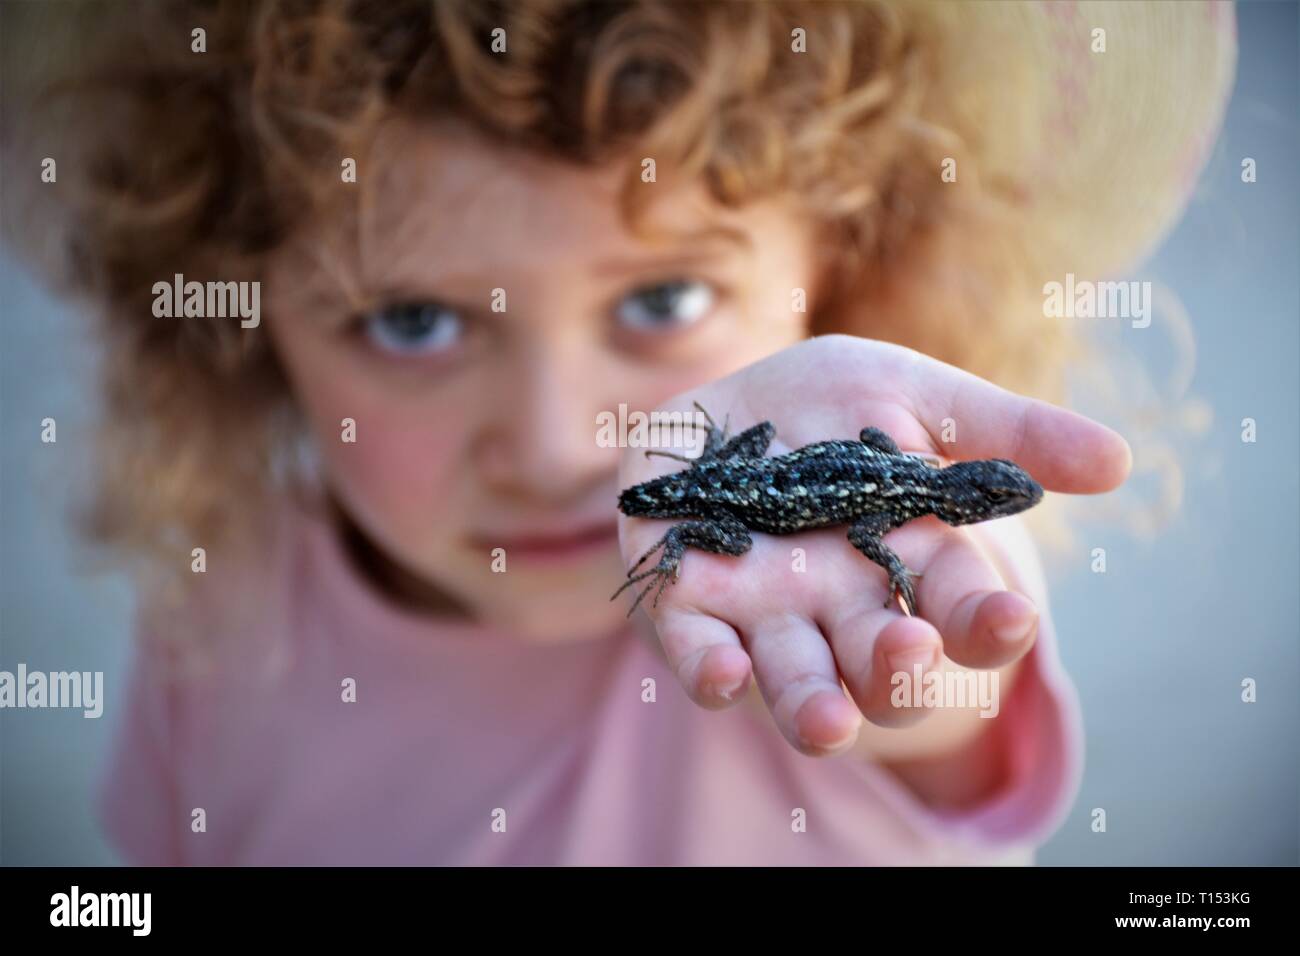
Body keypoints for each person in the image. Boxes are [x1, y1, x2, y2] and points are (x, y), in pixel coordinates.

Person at [0, 0, 1235, 864]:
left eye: (663, 299)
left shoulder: (799, 617)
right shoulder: (217, 631)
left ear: (850, 266)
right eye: (415, 320)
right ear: (248, 330)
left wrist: (938, 621)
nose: (553, 446)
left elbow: (952, 677)